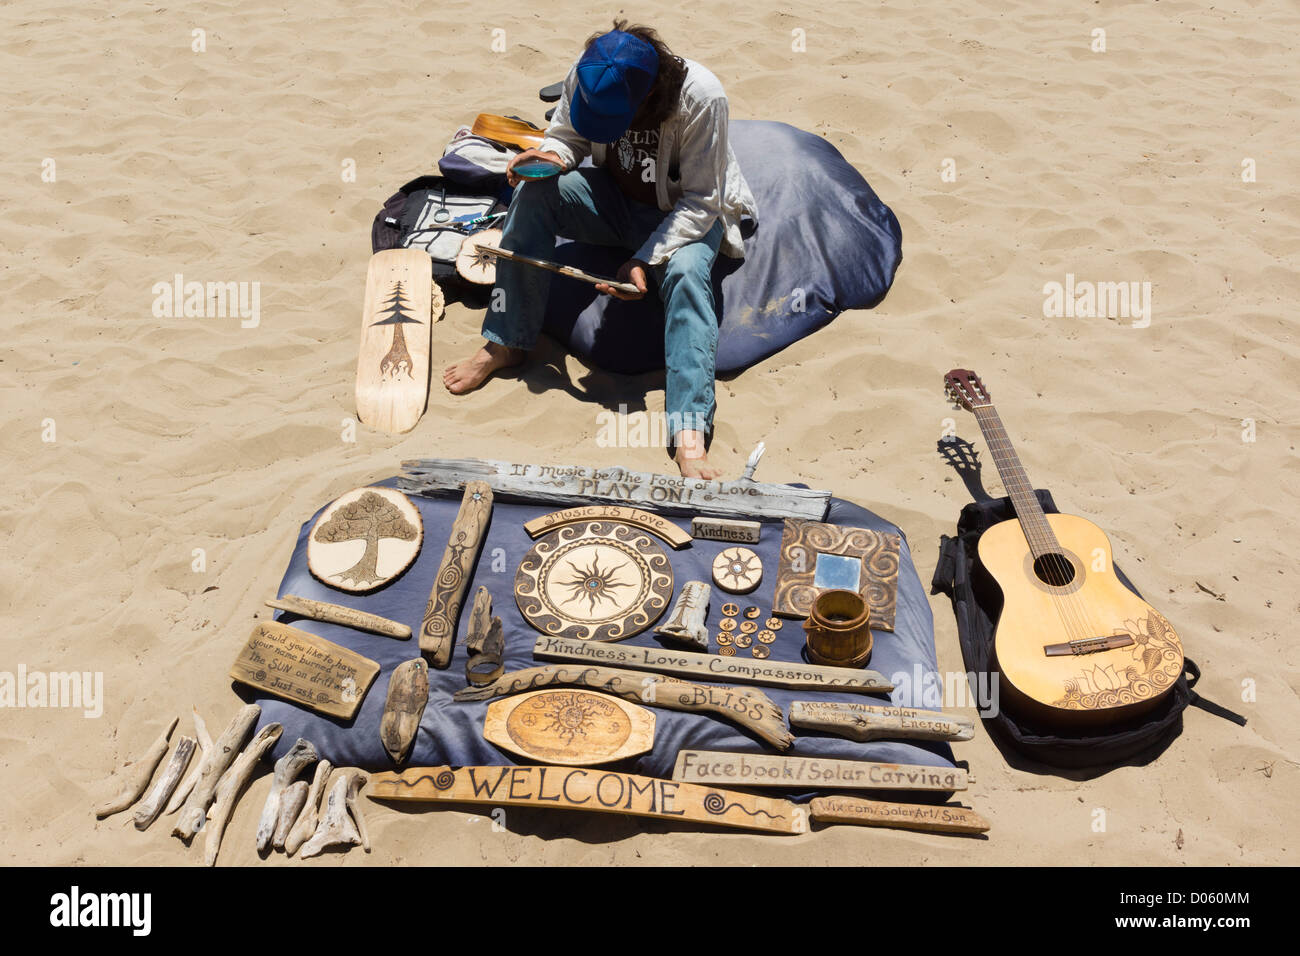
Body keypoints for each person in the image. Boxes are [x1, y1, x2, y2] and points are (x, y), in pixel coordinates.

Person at [443, 20, 757, 479]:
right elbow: (567, 136)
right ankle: (506, 342)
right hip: (615, 200)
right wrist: (550, 159)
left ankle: (689, 431)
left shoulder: (702, 98)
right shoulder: (589, 72)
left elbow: (702, 201)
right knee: (533, 196)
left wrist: (643, 258)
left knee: (689, 276)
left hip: (683, 216)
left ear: (649, 96)